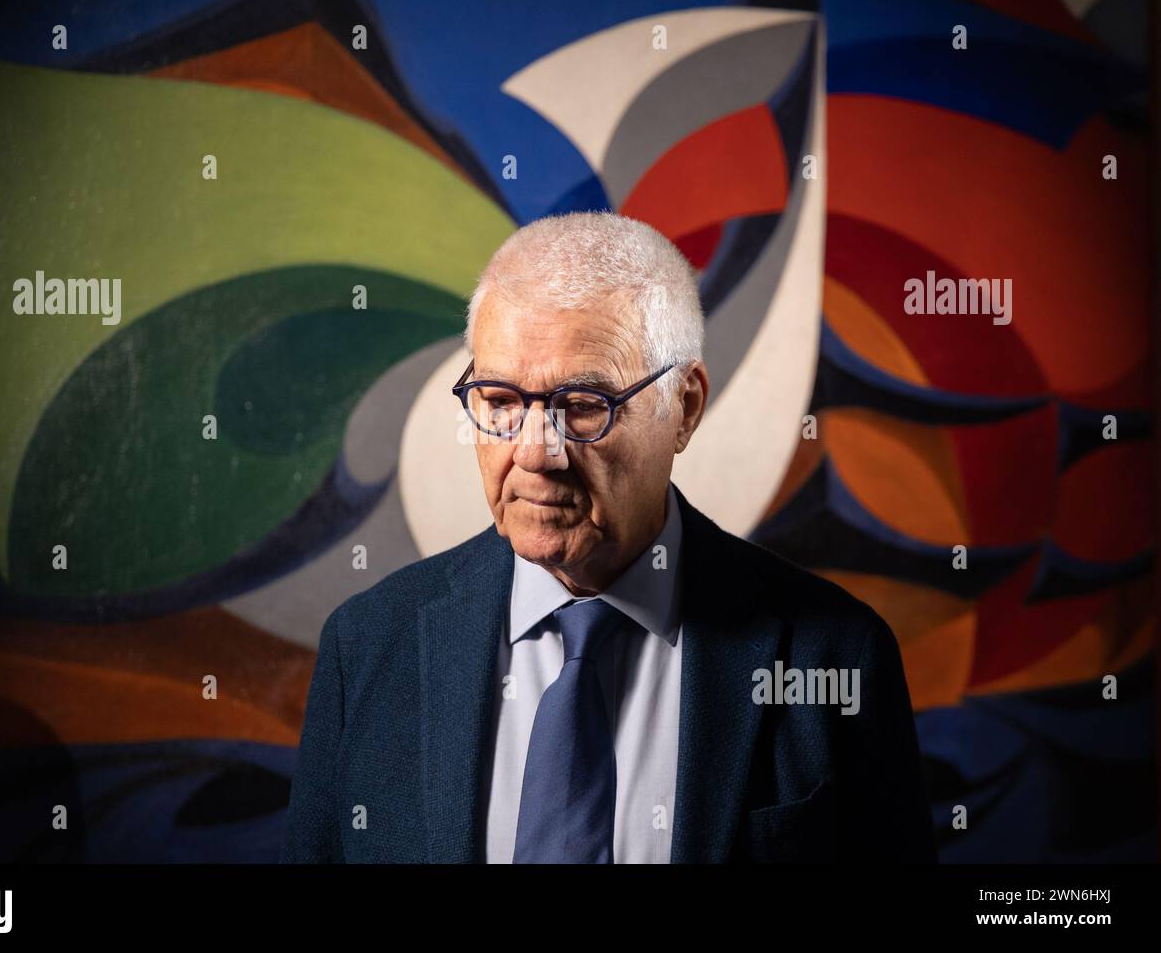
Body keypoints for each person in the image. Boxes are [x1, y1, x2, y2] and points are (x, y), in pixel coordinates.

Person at [281, 210, 936, 863]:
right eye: (502, 402)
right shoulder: (365, 648)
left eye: (584, 405)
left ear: (684, 407)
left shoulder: (836, 655)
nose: (538, 453)